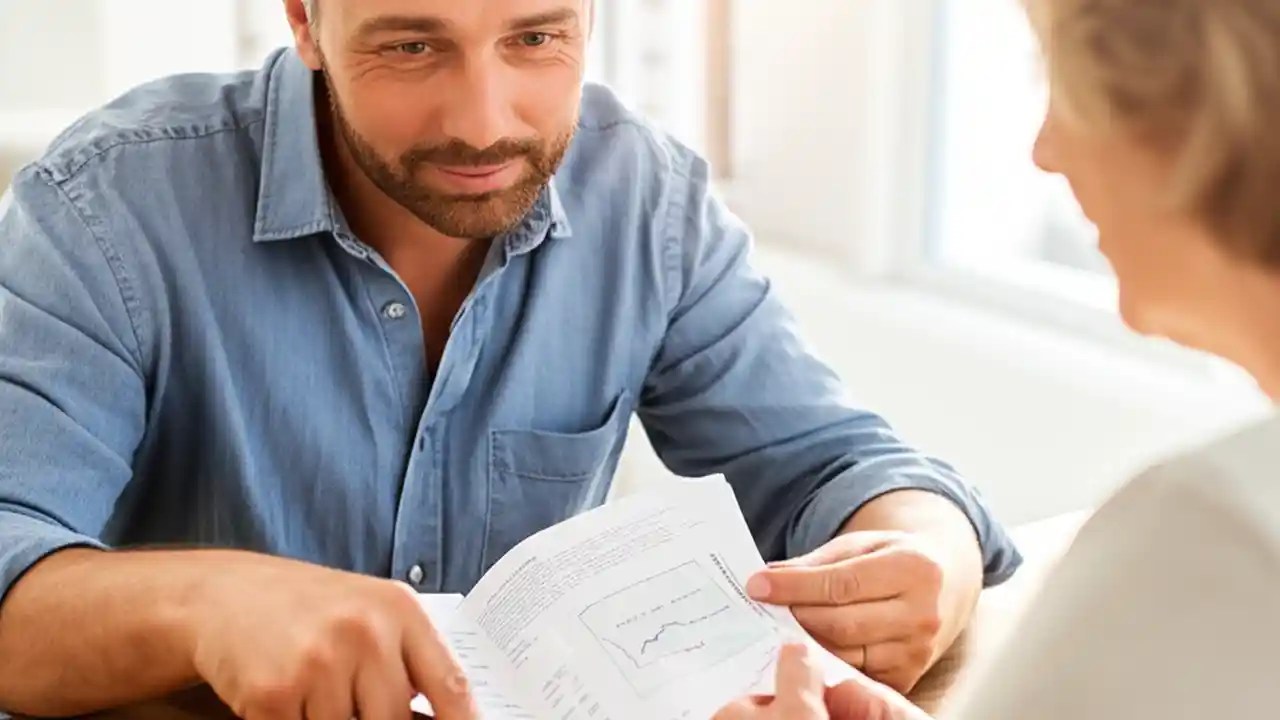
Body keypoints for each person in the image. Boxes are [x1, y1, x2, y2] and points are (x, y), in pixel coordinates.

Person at [0, 1, 1022, 717]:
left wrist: (923, 553)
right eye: (409, 47)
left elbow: (840, 465)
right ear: (305, 22)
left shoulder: (645, 202)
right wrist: (209, 606)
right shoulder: (108, 208)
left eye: (536, 37)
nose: (482, 121)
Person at [733, 0, 1280, 717]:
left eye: (1058, 82)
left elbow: (826, 450)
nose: (1045, 151)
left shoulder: (1211, 535)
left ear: (1187, 122)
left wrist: (936, 543)